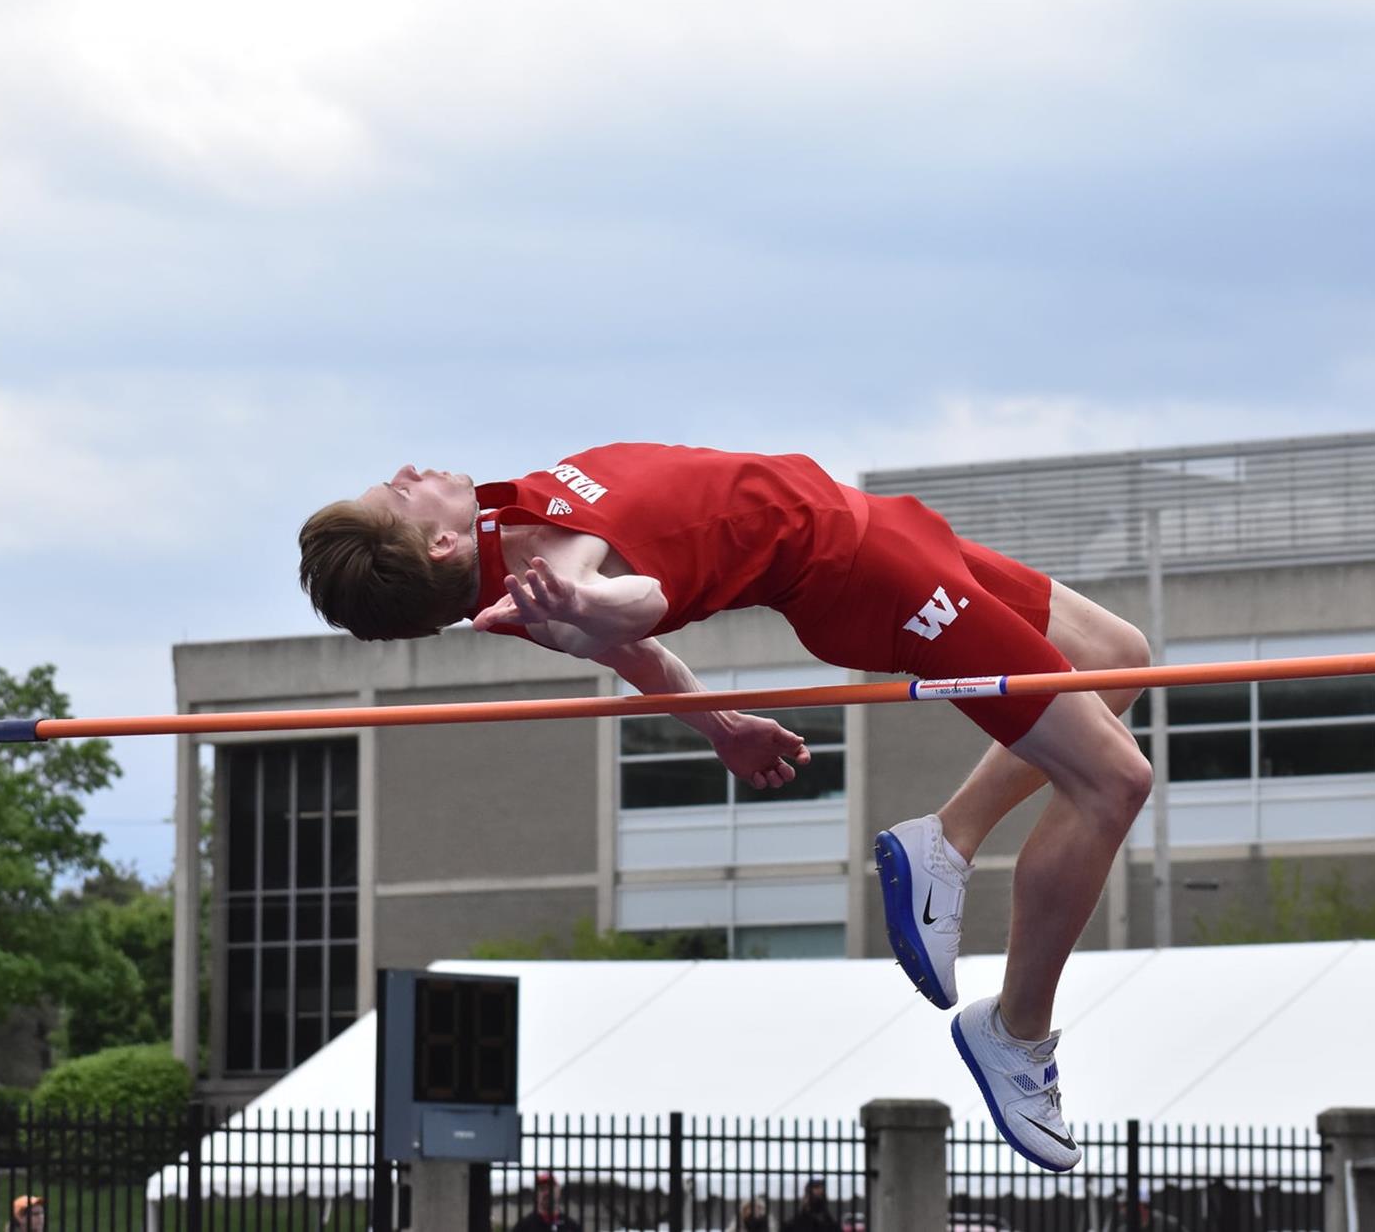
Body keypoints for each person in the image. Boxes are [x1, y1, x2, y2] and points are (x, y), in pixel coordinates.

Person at [300, 446, 1153, 1172]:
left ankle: (950, 839)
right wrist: (593, 606)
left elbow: (649, 662)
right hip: (872, 576)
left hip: (864, 519)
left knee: (1117, 657)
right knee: (1112, 782)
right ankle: (1016, 1029)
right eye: (399, 492)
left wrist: (726, 729)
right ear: (441, 541)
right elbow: (634, 607)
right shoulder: (553, 588)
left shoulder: (503, 525)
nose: (408, 469)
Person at [508, 1171, 580, 1232]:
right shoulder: (524, 1226)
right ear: (536, 1194)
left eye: (550, 1188)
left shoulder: (571, 1226)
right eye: (542, 1189)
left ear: (558, 1191)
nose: (546, 1192)